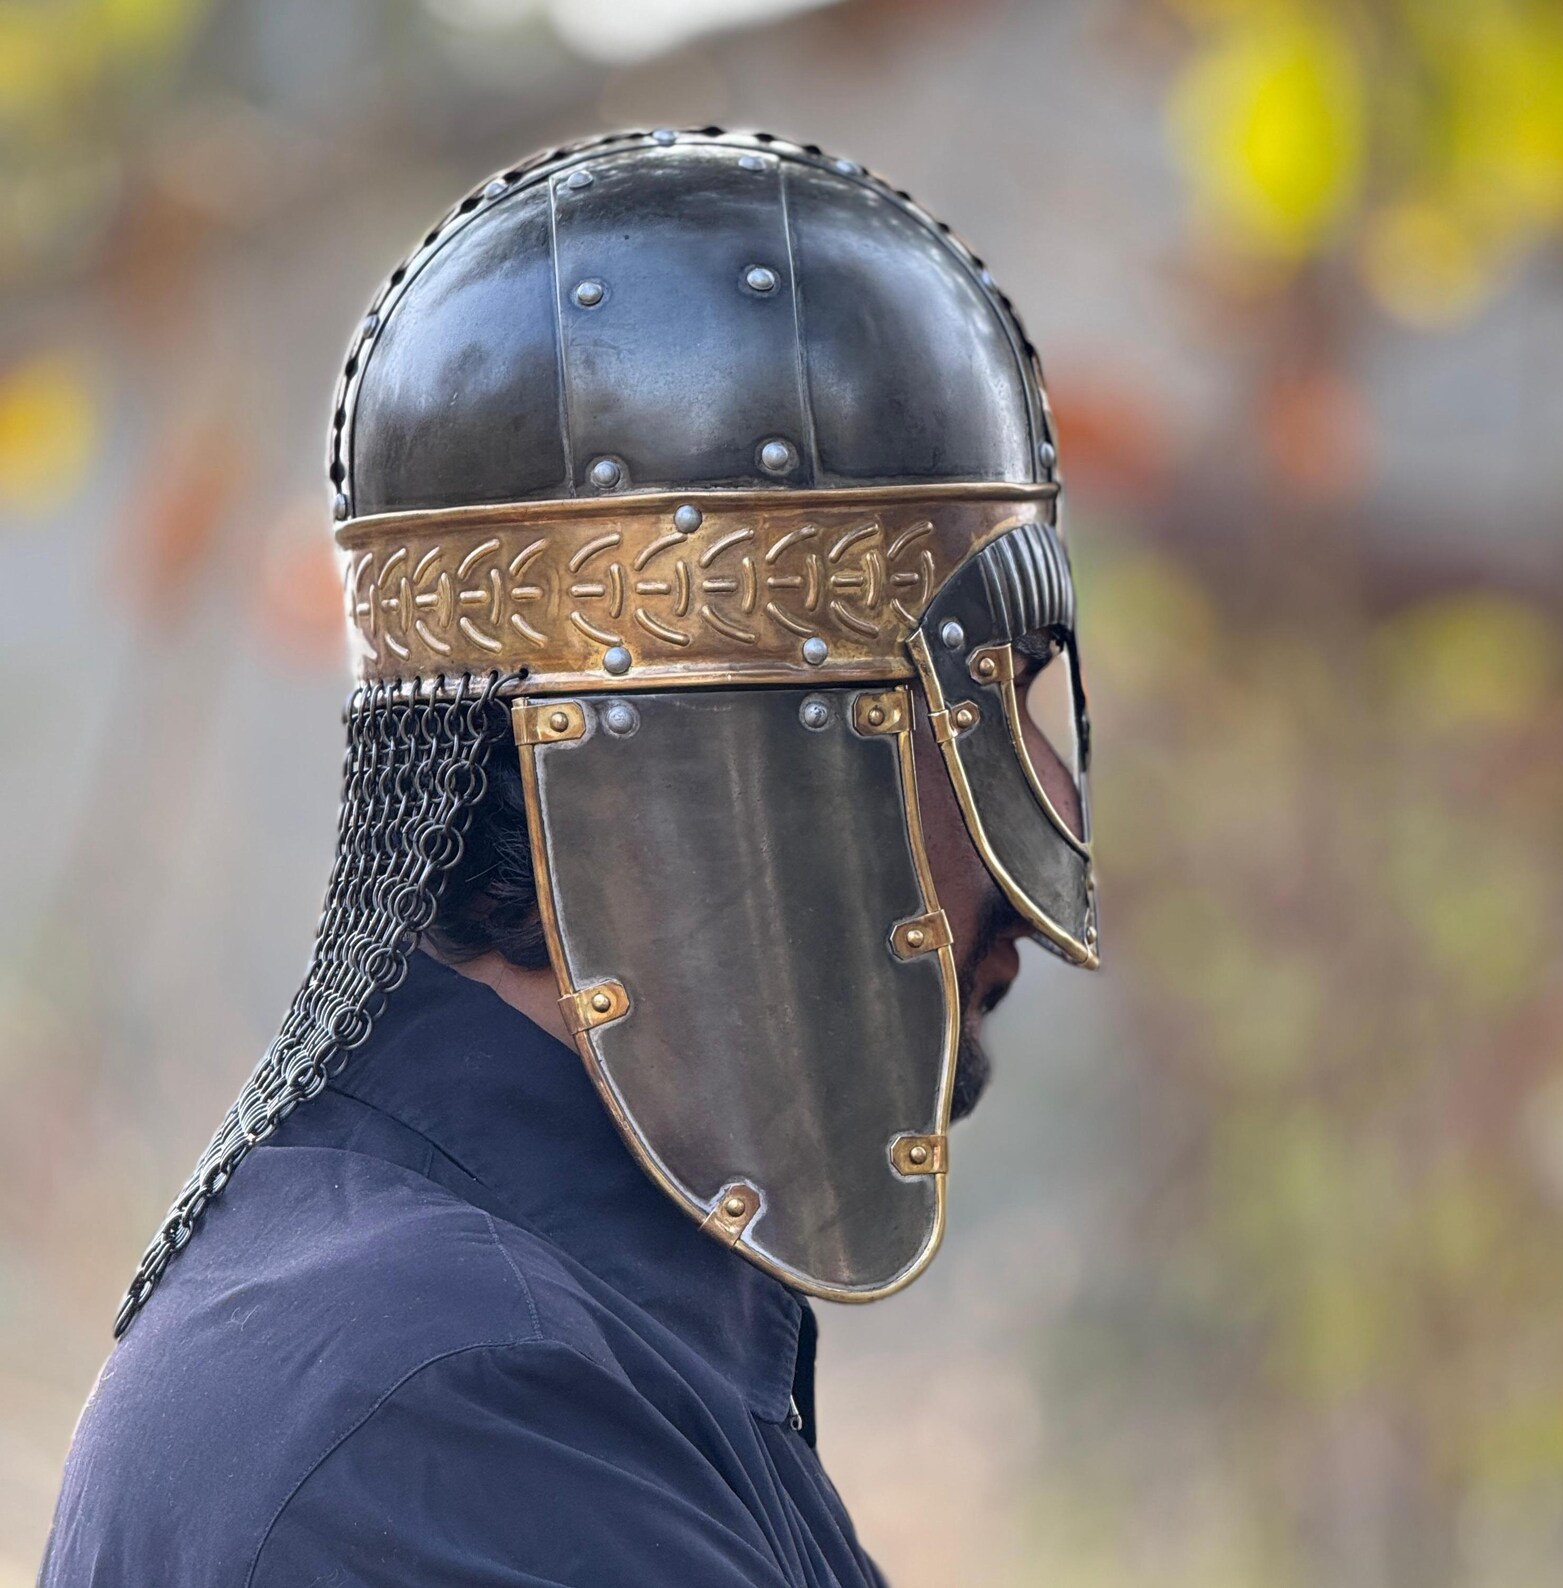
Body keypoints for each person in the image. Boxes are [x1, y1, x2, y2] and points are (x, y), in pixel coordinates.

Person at [39, 127, 1098, 1587]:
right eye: (976, 703)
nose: (1035, 853)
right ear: (754, 738)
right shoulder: (451, 1409)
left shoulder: (536, 1323)